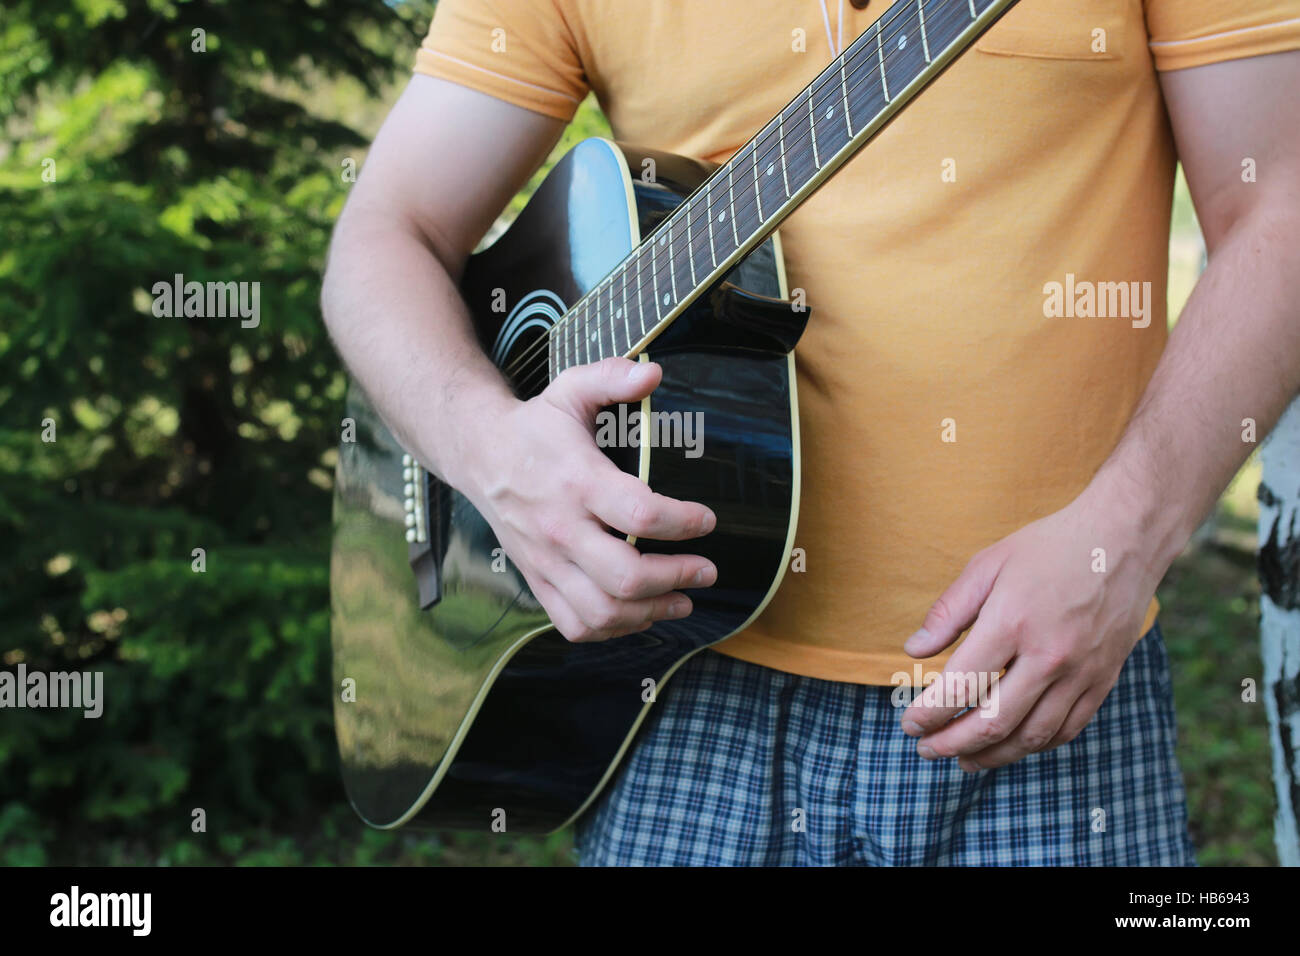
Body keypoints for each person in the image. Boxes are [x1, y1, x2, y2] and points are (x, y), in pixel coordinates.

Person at [321, 0, 1300, 865]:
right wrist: (488, 450)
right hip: (667, 686)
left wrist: (1123, 539)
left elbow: (1278, 208)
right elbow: (384, 235)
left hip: (1038, 686)